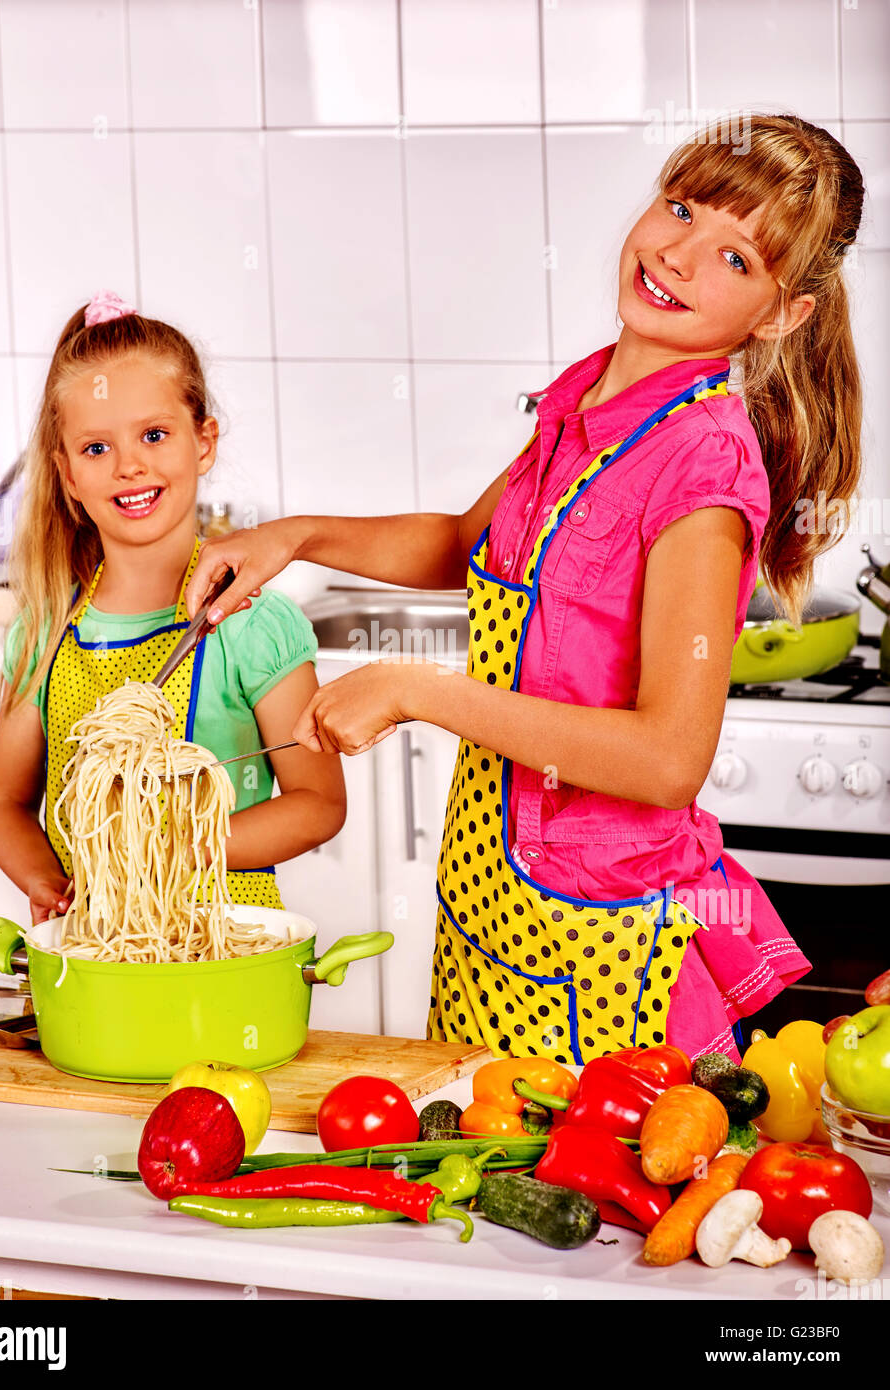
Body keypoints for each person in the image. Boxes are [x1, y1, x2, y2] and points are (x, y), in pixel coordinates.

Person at [185, 114, 865, 1063]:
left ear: (781, 314)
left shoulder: (701, 471)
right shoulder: (585, 397)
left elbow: (669, 759)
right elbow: (467, 545)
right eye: (678, 207)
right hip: (492, 904)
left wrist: (416, 689)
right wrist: (296, 536)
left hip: (602, 943)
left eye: (735, 258)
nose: (675, 253)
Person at [0, 292, 345, 925]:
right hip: (92, 948)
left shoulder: (249, 621)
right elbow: (6, 805)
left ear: (202, 441)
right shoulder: (43, 628)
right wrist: (45, 880)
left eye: (154, 435)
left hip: (227, 949)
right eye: (96, 449)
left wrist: (171, 846)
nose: (129, 466)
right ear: (67, 473)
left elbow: (318, 803)